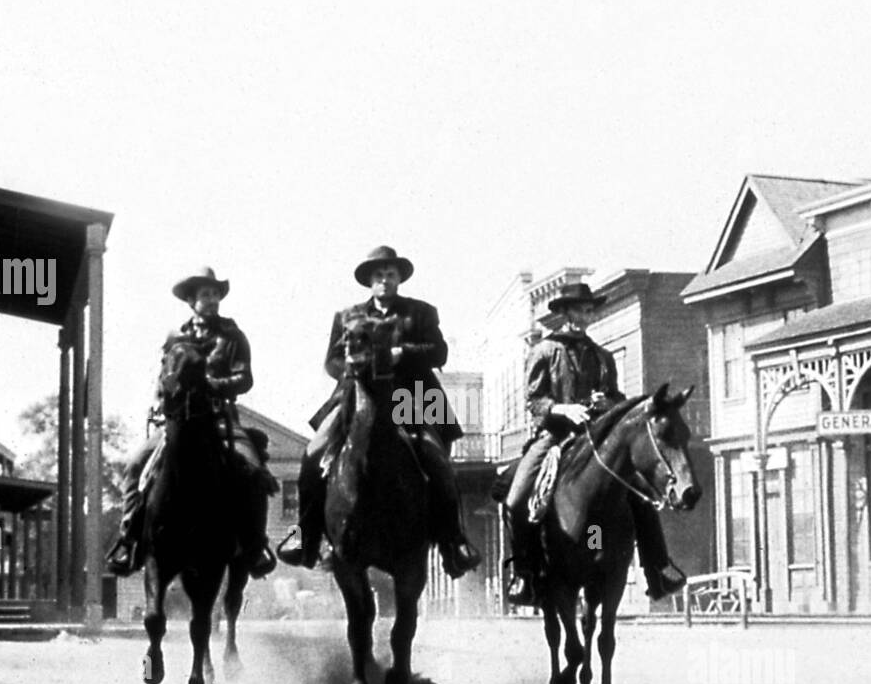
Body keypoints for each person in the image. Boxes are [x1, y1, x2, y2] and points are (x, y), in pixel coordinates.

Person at [277, 245, 482, 578]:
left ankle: (453, 541)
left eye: (390, 274)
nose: (384, 280)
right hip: (357, 393)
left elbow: (439, 352)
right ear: (369, 282)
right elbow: (331, 360)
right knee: (313, 452)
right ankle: (305, 536)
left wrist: (404, 352)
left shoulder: (422, 312)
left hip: (409, 394)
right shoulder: (347, 316)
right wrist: (351, 367)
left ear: (399, 278)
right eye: (378, 276)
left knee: (437, 460)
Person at [503, 282, 686, 606]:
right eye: (577, 310)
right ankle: (524, 573)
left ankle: (658, 568)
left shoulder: (602, 356)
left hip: (597, 438)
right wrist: (562, 409)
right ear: (563, 313)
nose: (583, 317)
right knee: (516, 499)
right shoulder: (544, 351)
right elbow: (534, 402)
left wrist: (606, 402)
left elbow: (616, 400)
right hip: (555, 437)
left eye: (588, 311)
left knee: (641, 495)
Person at [105, 266, 277, 579]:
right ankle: (129, 537)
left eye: (215, 294)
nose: (211, 300)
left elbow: (245, 378)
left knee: (252, 469)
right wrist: (164, 393)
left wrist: (212, 385)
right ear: (191, 300)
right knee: (134, 465)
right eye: (204, 295)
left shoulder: (233, 336)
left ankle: (255, 544)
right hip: (177, 421)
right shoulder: (175, 339)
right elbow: (162, 377)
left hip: (220, 418)